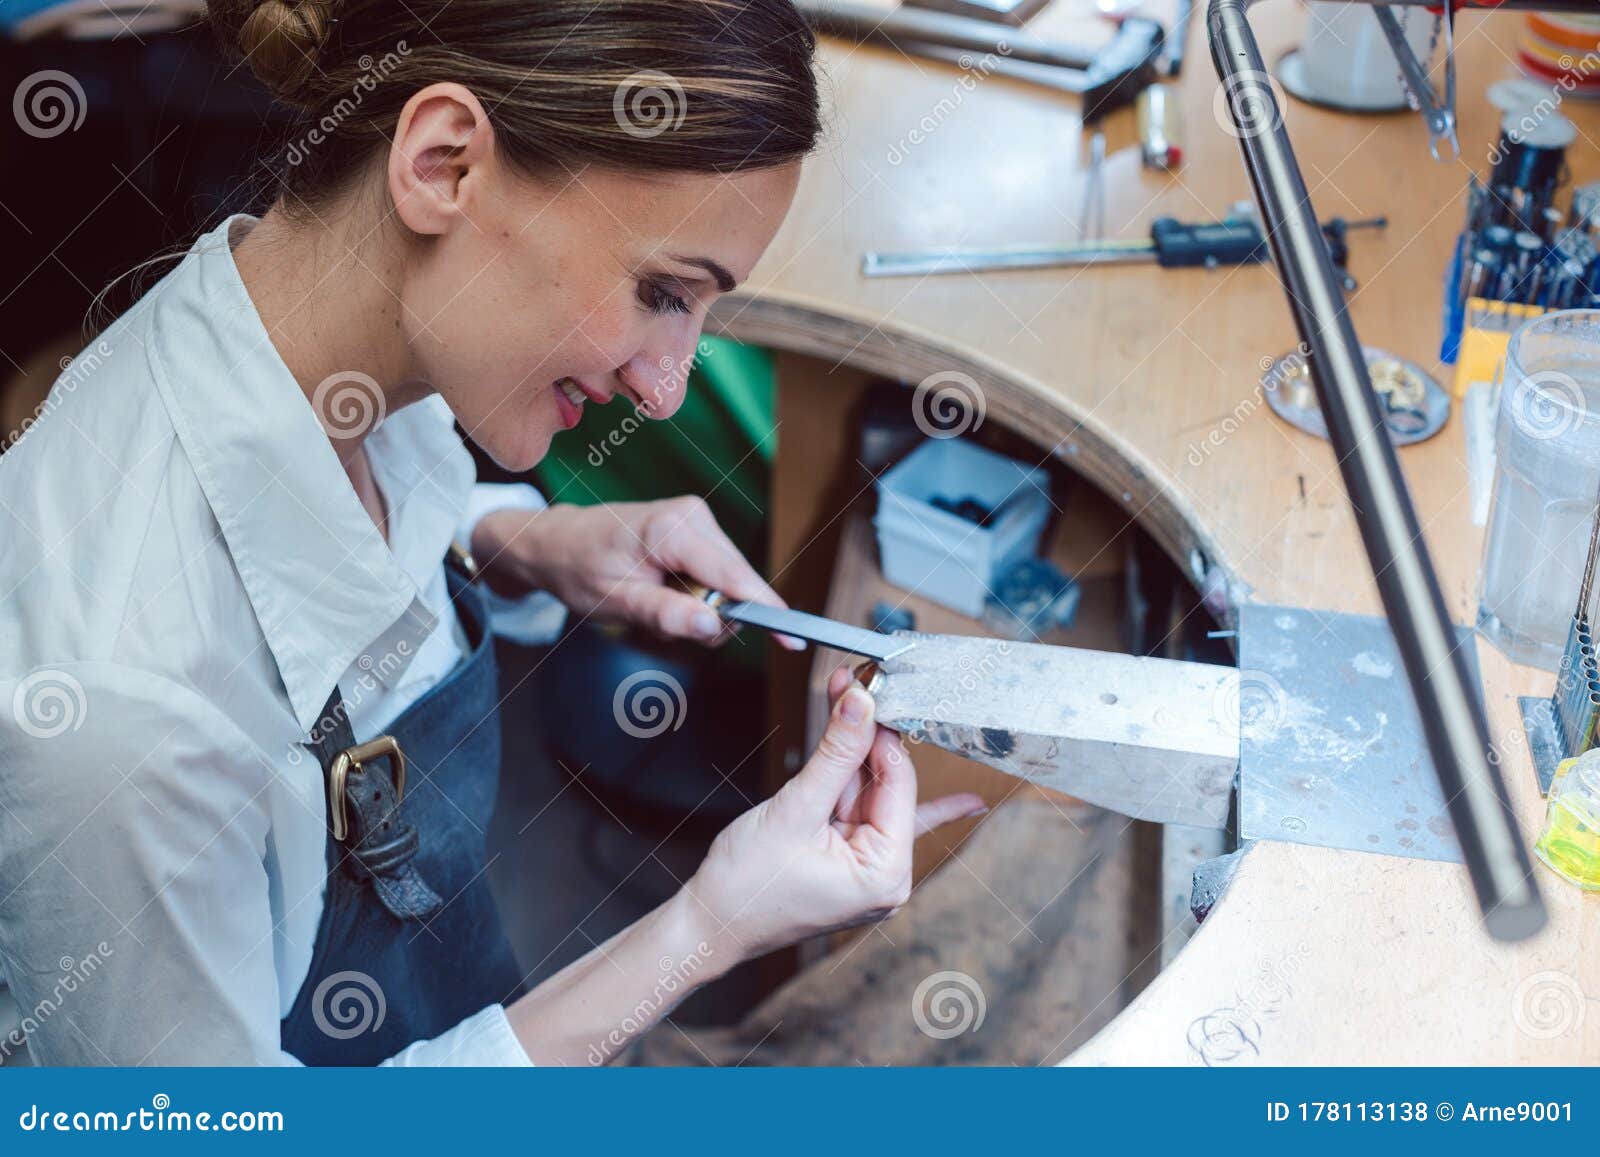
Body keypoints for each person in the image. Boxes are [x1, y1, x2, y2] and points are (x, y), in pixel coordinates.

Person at [0, 0, 985, 1066]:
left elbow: (314, 553)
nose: (664, 390)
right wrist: (703, 930)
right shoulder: (130, 712)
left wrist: (519, 540)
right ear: (443, 164)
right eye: (661, 291)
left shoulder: (335, 335)